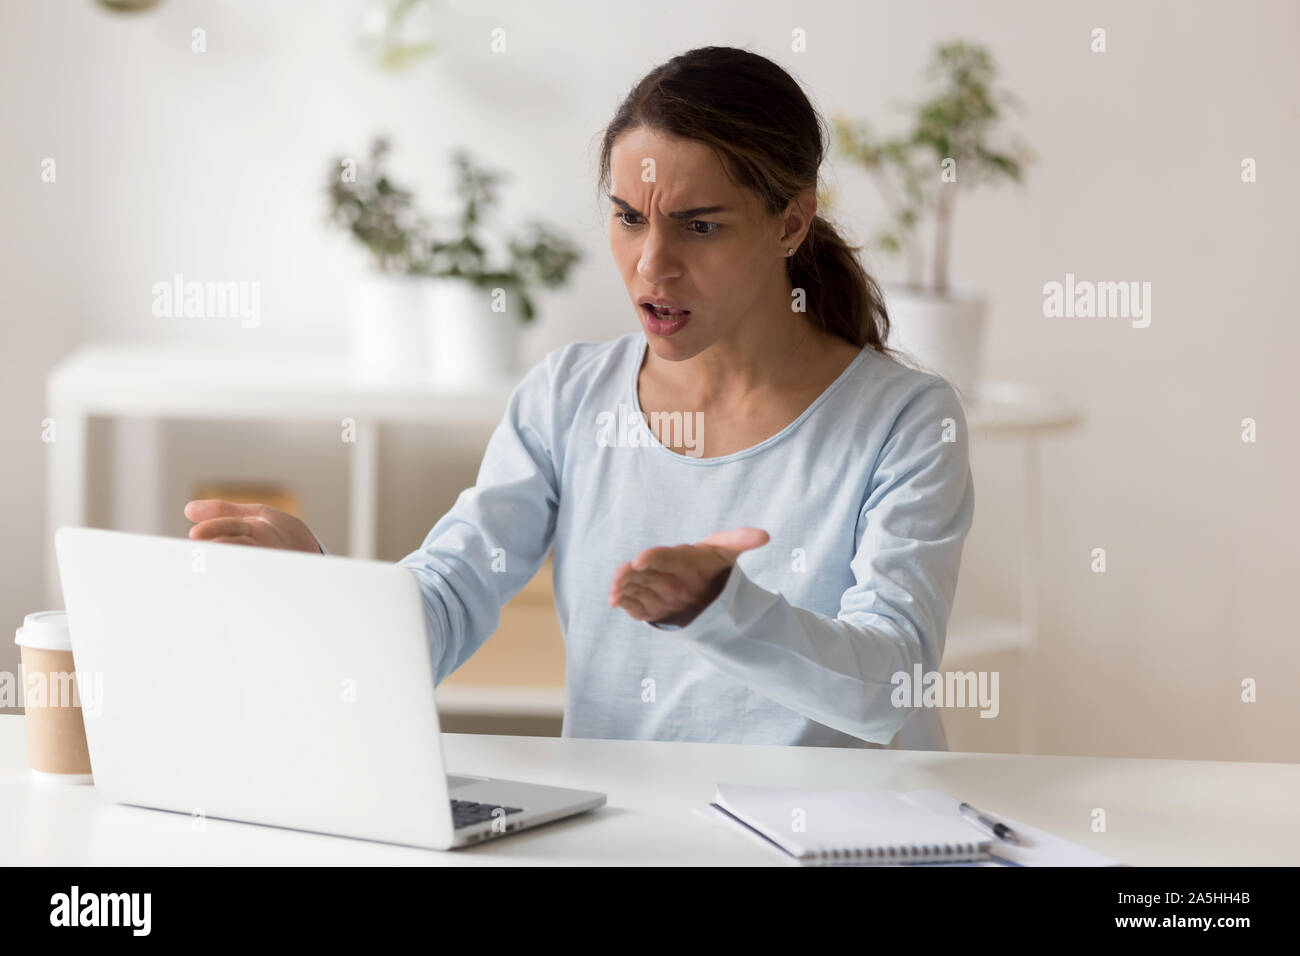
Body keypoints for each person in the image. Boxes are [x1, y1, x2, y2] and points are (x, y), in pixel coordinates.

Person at [186, 46, 974, 751]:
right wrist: (321, 588)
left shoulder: (903, 420)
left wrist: (722, 608)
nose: (650, 267)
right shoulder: (569, 397)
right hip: (629, 838)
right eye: (629, 219)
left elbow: (889, 688)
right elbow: (448, 601)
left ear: (791, 222)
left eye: (699, 227)